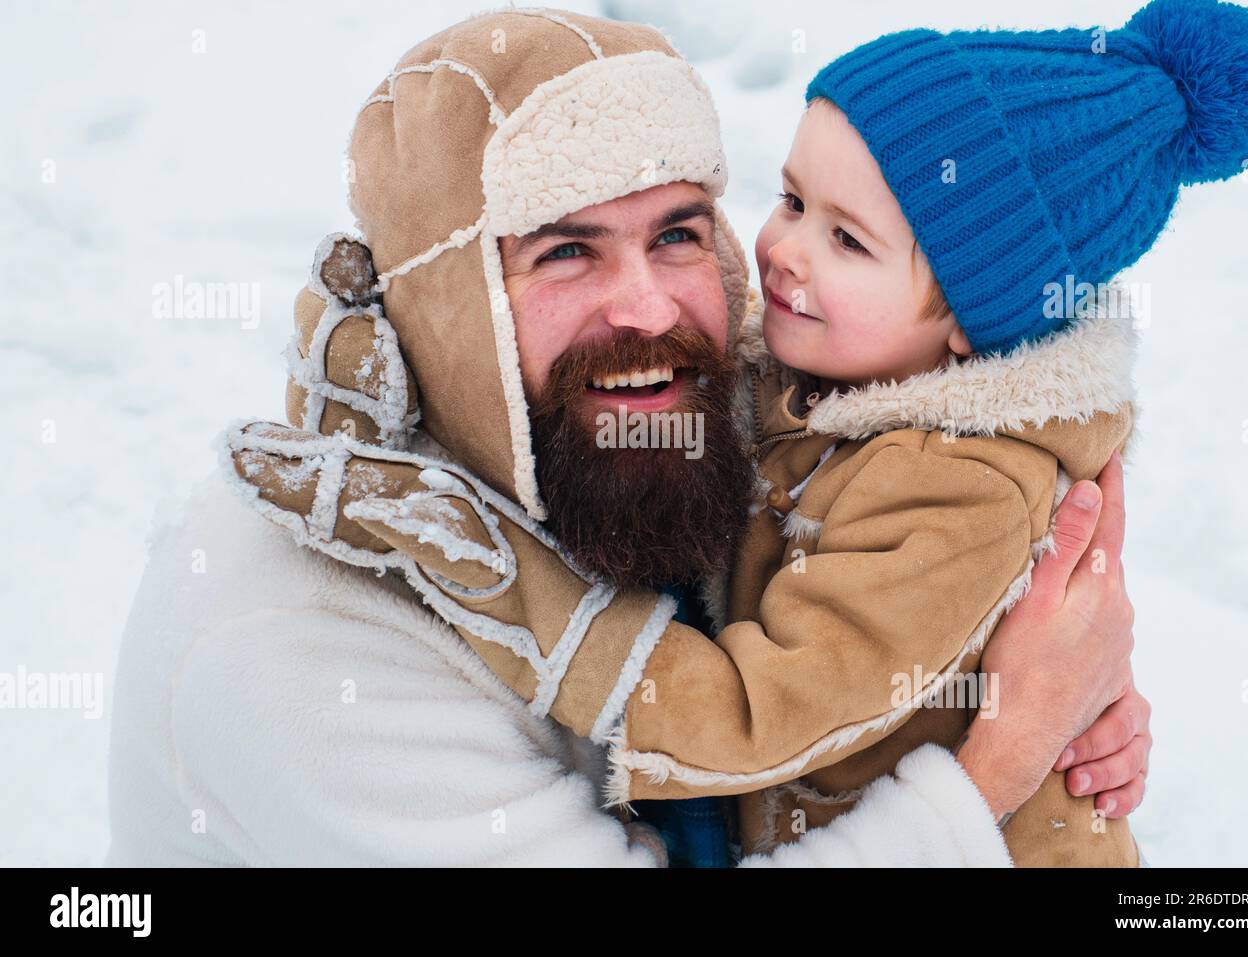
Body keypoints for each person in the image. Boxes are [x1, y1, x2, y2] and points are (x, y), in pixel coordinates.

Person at [108, 7, 1149, 867]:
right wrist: (1004, 757)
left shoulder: (702, 423)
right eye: (565, 252)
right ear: (447, 302)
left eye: (678, 234)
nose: (649, 311)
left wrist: (1029, 680)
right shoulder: (305, 654)